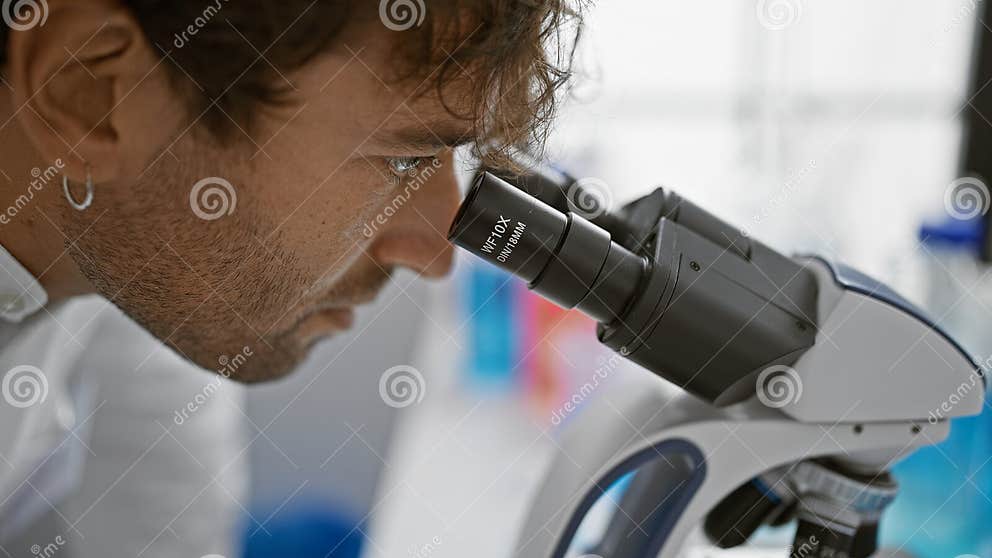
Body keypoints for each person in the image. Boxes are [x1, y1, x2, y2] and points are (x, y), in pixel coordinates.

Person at [0, 0, 581, 556]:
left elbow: (166, 506)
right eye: (403, 161)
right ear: (85, 95)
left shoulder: (123, 258)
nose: (434, 258)